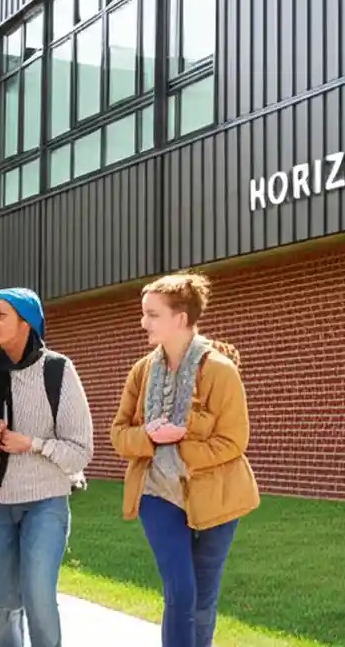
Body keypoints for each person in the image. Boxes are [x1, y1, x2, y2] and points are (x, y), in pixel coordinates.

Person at [110, 273, 260, 647]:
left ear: (180, 318)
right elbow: (118, 434)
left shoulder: (220, 371)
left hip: (217, 495)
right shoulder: (141, 371)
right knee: (181, 588)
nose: (143, 322)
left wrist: (181, 441)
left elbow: (233, 441)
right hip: (157, 491)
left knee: (203, 599)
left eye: (152, 314)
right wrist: (148, 437)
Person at [0, 287, 94, 647]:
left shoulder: (57, 370)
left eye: (0, 314)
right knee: (5, 603)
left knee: (38, 598)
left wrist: (31, 444)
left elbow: (81, 451)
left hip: (45, 501)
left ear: (27, 322)